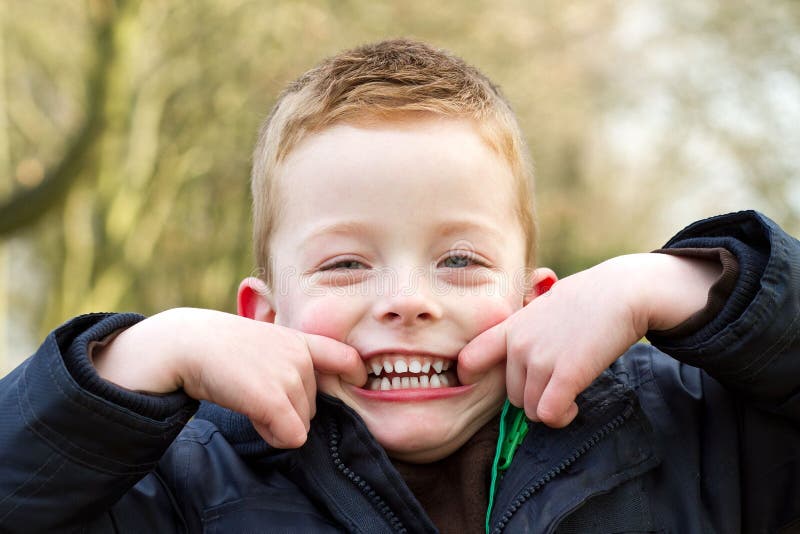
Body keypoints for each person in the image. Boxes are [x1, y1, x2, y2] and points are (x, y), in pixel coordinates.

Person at [1, 39, 799, 534]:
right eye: (346, 264)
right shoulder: (186, 477)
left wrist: (684, 284)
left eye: (460, 261)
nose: (407, 300)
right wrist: (136, 361)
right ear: (263, 318)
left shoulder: (682, 431)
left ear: (539, 303)